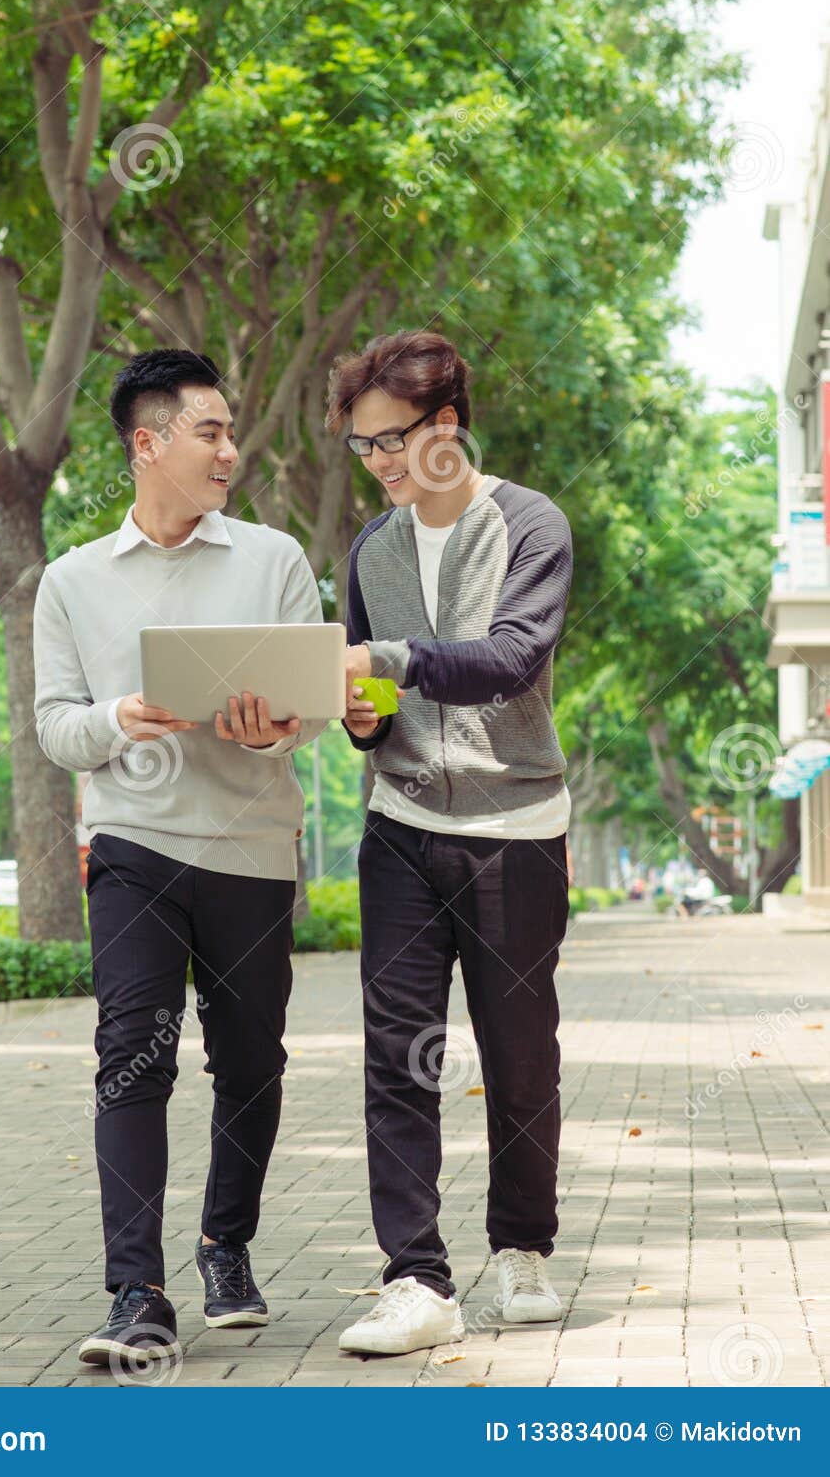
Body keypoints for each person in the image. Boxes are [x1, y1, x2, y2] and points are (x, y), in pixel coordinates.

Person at [32, 348, 328, 1369]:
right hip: (134, 848)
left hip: (250, 846)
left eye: (232, 431)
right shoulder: (71, 582)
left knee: (250, 1062)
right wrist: (124, 715)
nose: (230, 451)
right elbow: (56, 729)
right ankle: (137, 1292)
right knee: (135, 1057)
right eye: (210, 431)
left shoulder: (274, 559)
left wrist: (265, 730)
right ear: (147, 443)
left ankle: (225, 1244)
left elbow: (310, 711)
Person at [328, 329, 573, 1356]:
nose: (379, 464)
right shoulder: (371, 552)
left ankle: (523, 1246)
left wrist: (385, 659)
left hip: (514, 827)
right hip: (402, 830)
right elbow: (377, 698)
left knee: (517, 1054)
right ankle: (416, 1279)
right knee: (396, 1054)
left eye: (392, 441)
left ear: (447, 425)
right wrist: (360, 717)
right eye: (363, 447)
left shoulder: (529, 523)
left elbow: (512, 659)